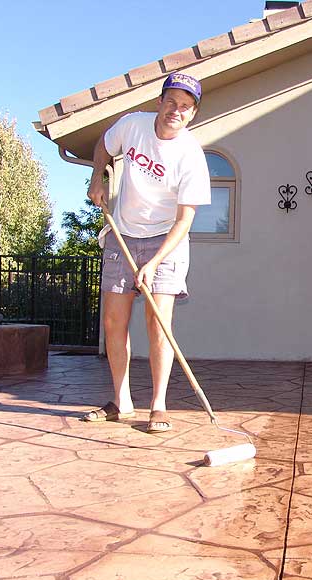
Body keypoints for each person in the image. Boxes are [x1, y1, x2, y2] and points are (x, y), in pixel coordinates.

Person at [83, 72, 210, 433]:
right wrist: (98, 178)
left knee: (158, 324)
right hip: (122, 234)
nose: (176, 110)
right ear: (160, 102)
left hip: (166, 242)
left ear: (192, 114)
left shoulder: (191, 155)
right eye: (171, 101)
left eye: (185, 107)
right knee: (113, 321)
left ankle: (158, 406)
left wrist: (153, 262)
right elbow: (103, 148)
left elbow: (185, 220)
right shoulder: (132, 126)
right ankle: (121, 402)